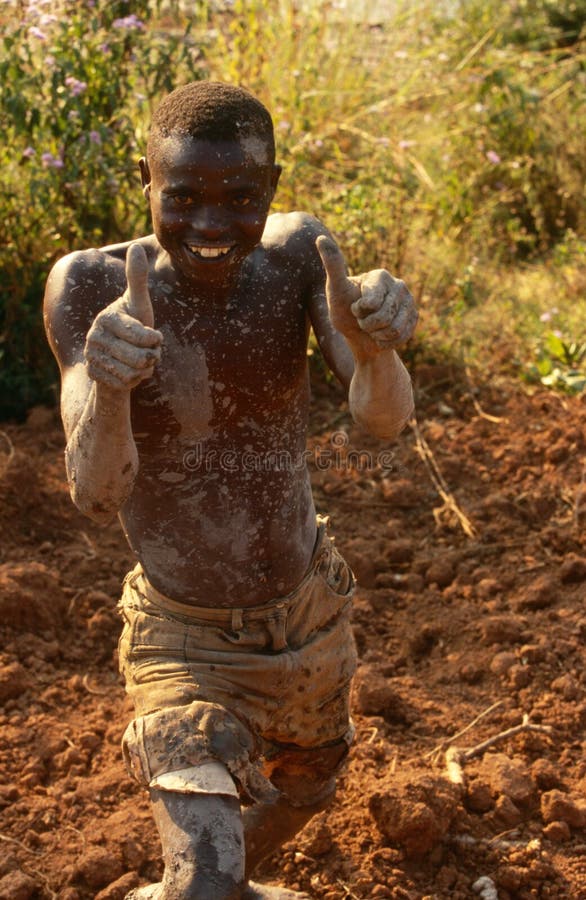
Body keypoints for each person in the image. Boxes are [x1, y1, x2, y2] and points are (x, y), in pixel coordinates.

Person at [44, 81, 417, 900]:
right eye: (183, 197)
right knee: (206, 875)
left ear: (273, 188)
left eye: (240, 197)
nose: (211, 226)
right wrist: (110, 387)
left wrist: (378, 345)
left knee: (303, 795)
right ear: (145, 179)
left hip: (310, 617)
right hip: (181, 635)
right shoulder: (89, 288)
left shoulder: (294, 261)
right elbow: (95, 493)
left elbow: (383, 423)